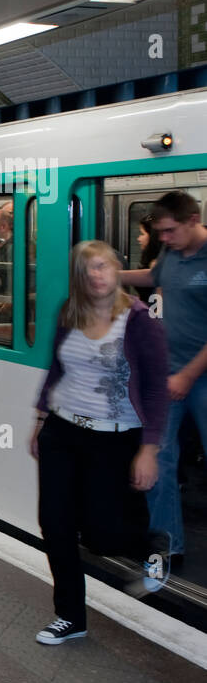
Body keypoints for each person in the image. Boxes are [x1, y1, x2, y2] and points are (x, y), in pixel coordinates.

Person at [31, 241, 168, 644]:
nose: (96, 275)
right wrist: (40, 419)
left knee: (102, 535)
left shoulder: (140, 321)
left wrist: (149, 449)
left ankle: (152, 542)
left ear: (116, 270)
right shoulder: (69, 313)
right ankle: (70, 616)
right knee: (54, 525)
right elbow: (56, 368)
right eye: (87, 269)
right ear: (78, 275)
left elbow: (158, 391)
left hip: (114, 439)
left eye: (103, 266)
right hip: (62, 430)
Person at [120, 190, 207, 566]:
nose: (164, 240)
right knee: (159, 457)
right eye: (160, 234)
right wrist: (106, 273)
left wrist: (188, 374)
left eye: (170, 231)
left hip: (197, 377)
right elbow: (154, 275)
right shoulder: (171, 252)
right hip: (169, 374)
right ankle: (167, 546)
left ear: (193, 219)